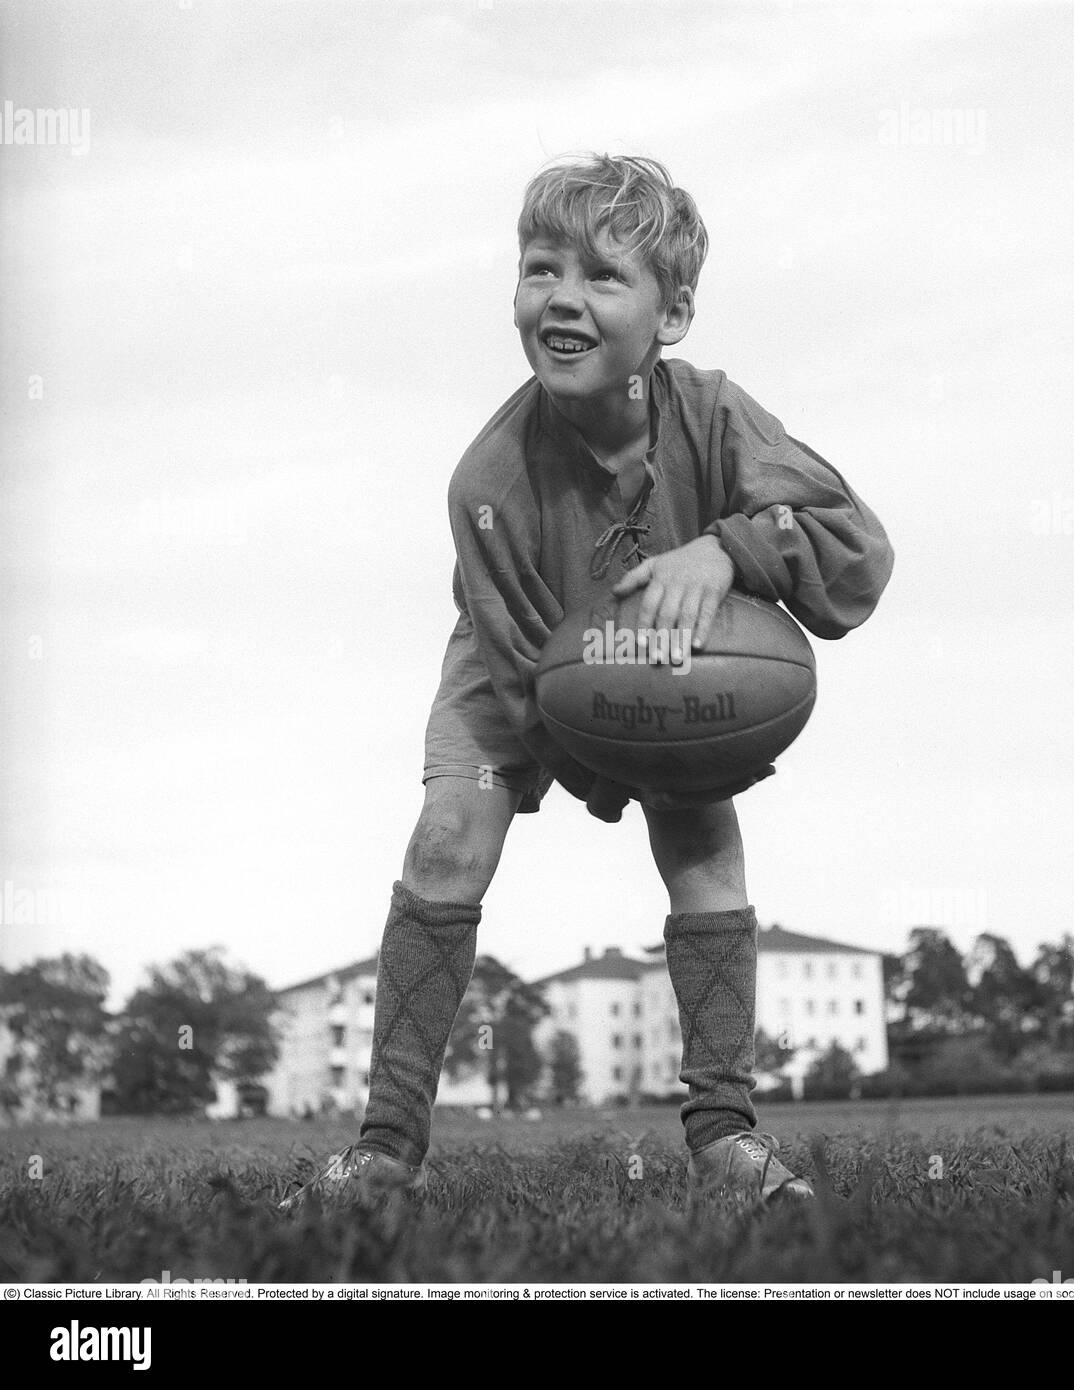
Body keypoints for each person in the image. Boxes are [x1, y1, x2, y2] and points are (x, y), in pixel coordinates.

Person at [281, 154, 894, 1211]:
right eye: (538, 268)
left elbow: (854, 551)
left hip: (668, 649)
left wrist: (729, 553)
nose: (560, 295)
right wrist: (617, 758)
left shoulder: (714, 416)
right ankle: (384, 1148)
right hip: (514, 650)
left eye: (602, 276)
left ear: (674, 313)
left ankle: (723, 1137)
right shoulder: (486, 482)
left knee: (699, 839)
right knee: (446, 836)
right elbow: (535, 680)